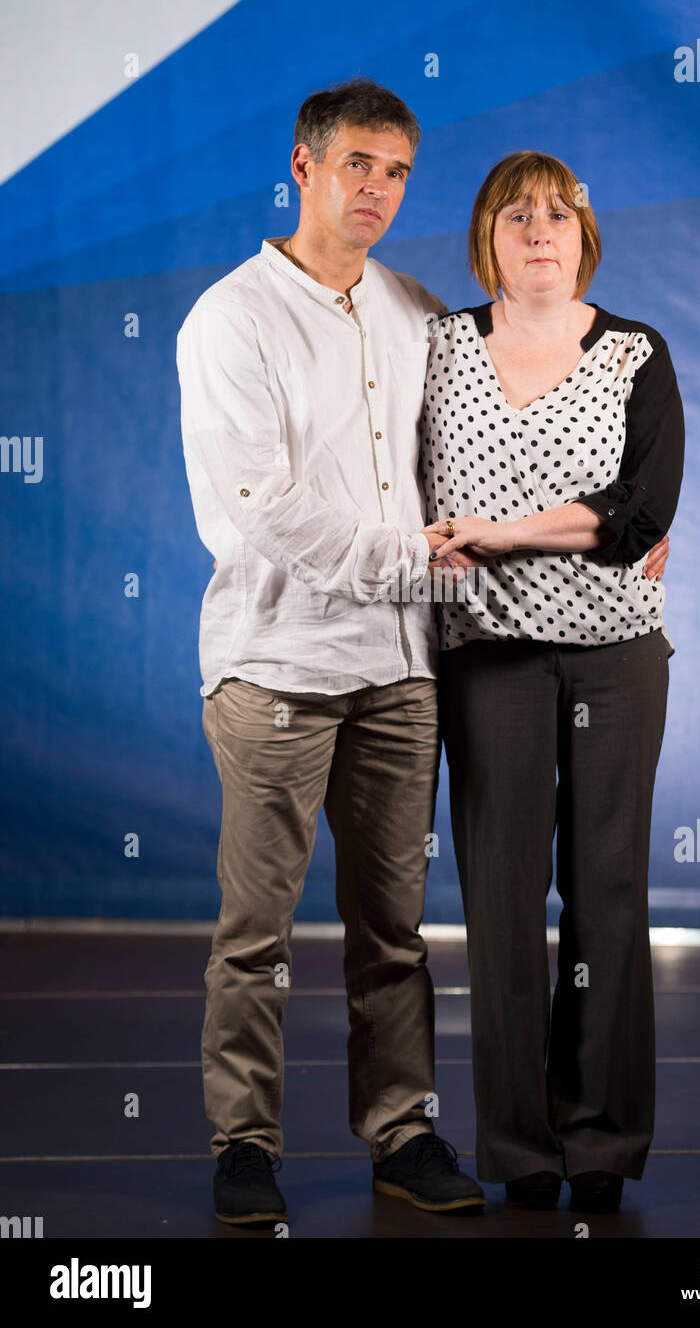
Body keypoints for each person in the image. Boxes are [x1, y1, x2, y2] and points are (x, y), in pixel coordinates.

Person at [177, 78, 490, 1223]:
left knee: (393, 930)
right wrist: (414, 559)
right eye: (358, 162)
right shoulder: (230, 318)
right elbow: (260, 510)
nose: (378, 189)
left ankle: (400, 1131)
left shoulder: (418, 311)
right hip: (274, 668)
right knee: (254, 932)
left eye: (396, 171)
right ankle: (243, 1145)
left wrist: (614, 520)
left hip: (398, 673)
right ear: (302, 165)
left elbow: (474, 461)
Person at [421, 150, 685, 1213]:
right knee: (499, 895)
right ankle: (520, 1148)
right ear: (486, 237)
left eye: (559, 215)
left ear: (585, 238)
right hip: (488, 654)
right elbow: (390, 479)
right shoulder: (436, 346)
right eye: (517, 215)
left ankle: (601, 1140)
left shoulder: (635, 352)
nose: (540, 231)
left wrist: (499, 532)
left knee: (608, 890)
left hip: (616, 657)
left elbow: (641, 514)